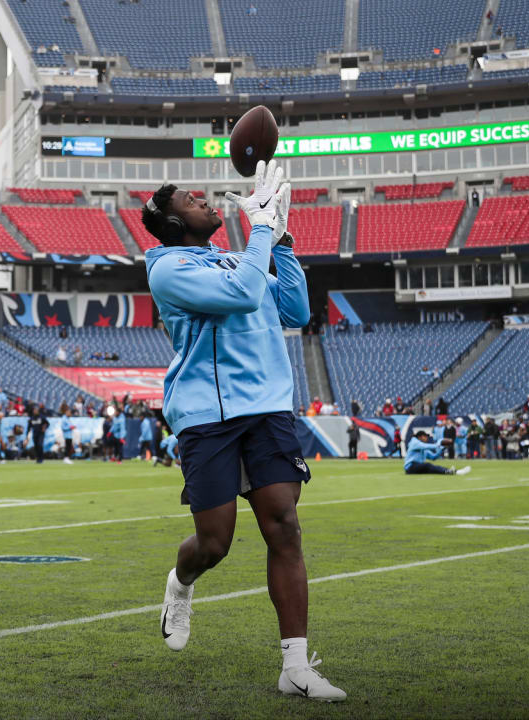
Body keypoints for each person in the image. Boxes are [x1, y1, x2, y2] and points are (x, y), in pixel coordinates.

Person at [143, 163, 345, 700]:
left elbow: (297, 310)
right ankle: (180, 582)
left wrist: (281, 239)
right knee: (215, 543)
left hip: (267, 408)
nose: (205, 201)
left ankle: (296, 667)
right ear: (170, 223)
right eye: (190, 200)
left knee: (284, 525)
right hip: (206, 414)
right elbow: (237, 294)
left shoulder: (242, 255)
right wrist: (259, 232)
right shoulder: (167, 268)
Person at [405, 429, 470, 475]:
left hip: (417, 467)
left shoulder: (423, 448)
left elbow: (433, 457)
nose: (427, 438)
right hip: (410, 467)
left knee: (433, 469)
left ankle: (453, 471)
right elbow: (426, 446)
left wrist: (442, 449)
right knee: (428, 465)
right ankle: (451, 471)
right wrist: (439, 444)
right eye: (425, 436)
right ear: (420, 437)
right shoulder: (414, 442)